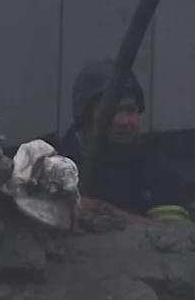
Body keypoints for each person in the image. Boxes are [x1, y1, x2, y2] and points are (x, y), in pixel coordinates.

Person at [53, 60, 185, 218]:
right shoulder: (52, 168)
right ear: (85, 116)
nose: (124, 121)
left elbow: (169, 229)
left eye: (131, 110)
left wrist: (107, 213)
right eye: (113, 111)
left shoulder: (158, 175)